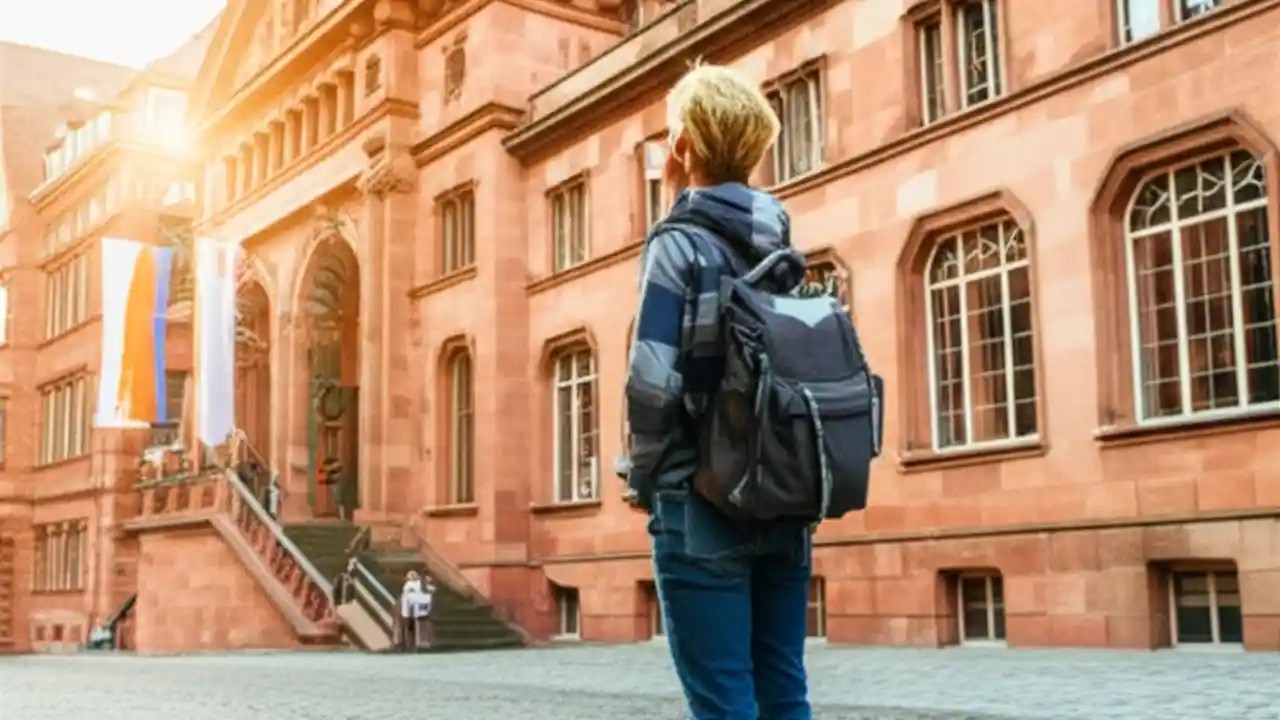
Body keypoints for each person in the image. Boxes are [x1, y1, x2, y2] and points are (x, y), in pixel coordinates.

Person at [624, 63, 813, 719]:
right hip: (784, 497)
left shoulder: (678, 245)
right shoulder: (783, 245)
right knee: (784, 689)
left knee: (724, 700)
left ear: (684, 146)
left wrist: (650, 478)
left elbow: (652, 379)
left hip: (699, 497)